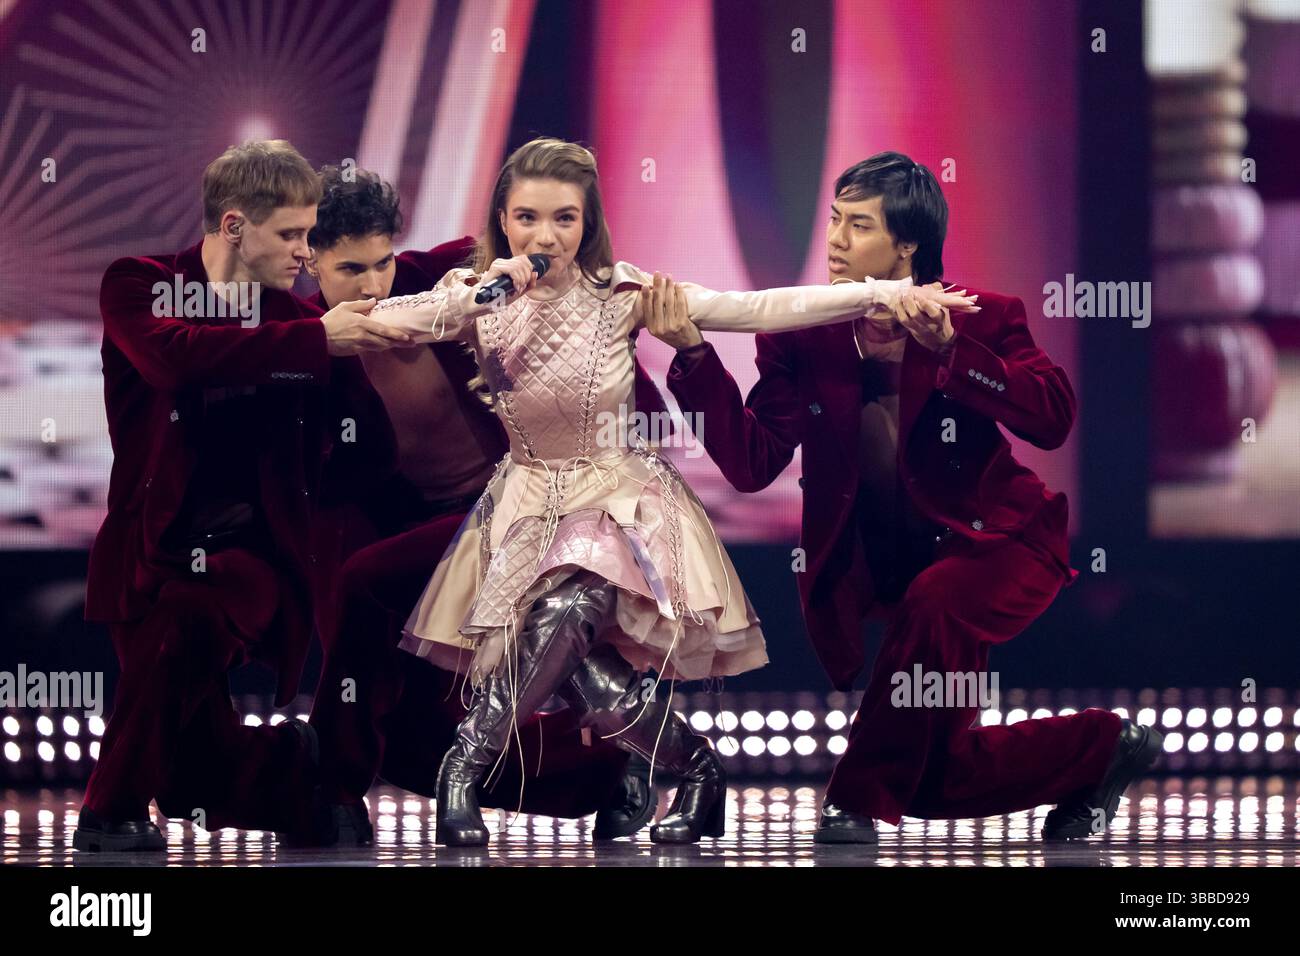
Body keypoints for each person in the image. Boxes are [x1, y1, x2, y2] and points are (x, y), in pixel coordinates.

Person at [366, 137, 974, 846]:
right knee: (570, 656)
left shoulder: (622, 292)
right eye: (528, 217)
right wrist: (472, 293)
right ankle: (694, 768)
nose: (546, 235)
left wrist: (885, 292)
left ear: (587, 222)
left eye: (565, 218)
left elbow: (757, 308)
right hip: (526, 499)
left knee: (572, 602)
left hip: (618, 498)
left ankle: (463, 766)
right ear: (503, 219)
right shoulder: (472, 296)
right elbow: (381, 323)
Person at [651, 151, 1163, 843]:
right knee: (933, 782)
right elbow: (751, 464)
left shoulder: (980, 317)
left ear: (907, 243)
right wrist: (691, 355)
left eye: (857, 225)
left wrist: (954, 352)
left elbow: (1054, 417)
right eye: (834, 219)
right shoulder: (802, 335)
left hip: (1003, 548)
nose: (833, 239)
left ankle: (851, 797)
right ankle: (1104, 749)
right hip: (900, 575)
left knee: (934, 605)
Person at [301, 165, 665, 843]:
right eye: (351, 269)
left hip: (520, 505)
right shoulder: (302, 341)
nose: (373, 286)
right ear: (308, 259)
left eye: (382, 263)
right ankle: (617, 766)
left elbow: (559, 270)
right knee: (417, 748)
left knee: (364, 583)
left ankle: (327, 786)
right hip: (420, 539)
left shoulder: (450, 281)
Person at [74, 140, 408, 852]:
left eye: (308, 233)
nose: (303, 250)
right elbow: (172, 358)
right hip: (145, 551)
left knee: (190, 618)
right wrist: (311, 341)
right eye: (291, 233)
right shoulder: (138, 283)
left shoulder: (299, 320)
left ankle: (107, 815)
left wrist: (300, 506)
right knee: (192, 778)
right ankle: (299, 771)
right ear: (233, 226)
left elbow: (371, 450)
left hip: (248, 557)